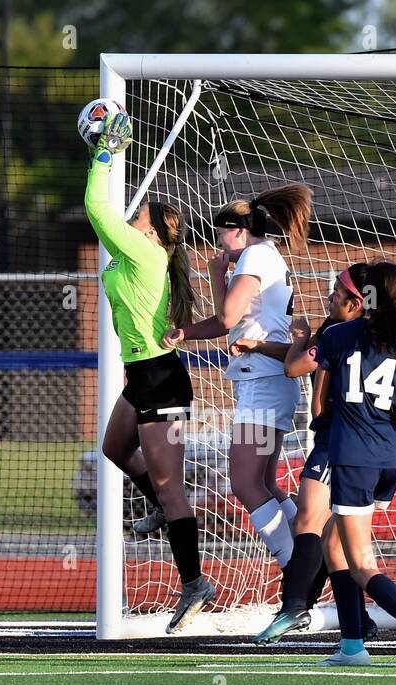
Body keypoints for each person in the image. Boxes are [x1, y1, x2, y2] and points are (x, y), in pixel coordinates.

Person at [85, 112, 215, 633]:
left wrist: (103, 151)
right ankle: (160, 507)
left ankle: (194, 582)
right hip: (140, 377)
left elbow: (97, 207)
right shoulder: (132, 255)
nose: (133, 212)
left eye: (141, 213)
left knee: (172, 485)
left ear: (154, 232)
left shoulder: (144, 252)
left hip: (164, 380)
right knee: (113, 449)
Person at [163, 184, 313, 573]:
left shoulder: (253, 257)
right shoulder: (264, 255)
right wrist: (186, 332)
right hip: (266, 384)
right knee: (265, 482)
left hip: (263, 386)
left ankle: (296, 567)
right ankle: (313, 552)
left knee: (245, 484)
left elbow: (228, 317)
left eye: (221, 233)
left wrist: (216, 274)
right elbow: (226, 324)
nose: (218, 241)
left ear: (240, 231)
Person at [311, 261, 396, 668]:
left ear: (365, 298)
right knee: (334, 544)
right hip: (390, 458)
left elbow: (318, 406)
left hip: (352, 458)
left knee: (361, 563)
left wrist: (334, 425)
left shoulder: (336, 336)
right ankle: (352, 645)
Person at [255, 264, 378, 644]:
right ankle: (356, 617)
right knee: (334, 534)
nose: (329, 298)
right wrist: (262, 346)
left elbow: (296, 364)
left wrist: (299, 337)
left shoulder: (337, 334)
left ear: (356, 303)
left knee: (308, 519)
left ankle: (294, 606)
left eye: (336, 294)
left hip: (339, 439)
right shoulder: (382, 335)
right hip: (365, 441)